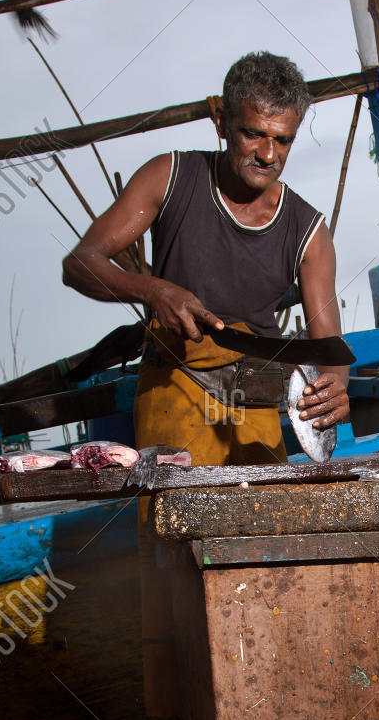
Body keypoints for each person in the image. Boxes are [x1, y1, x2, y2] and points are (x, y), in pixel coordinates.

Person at [62, 50, 349, 465]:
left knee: (263, 524)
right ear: (221, 122)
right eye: (253, 134)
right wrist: (153, 290)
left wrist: (336, 387)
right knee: (176, 523)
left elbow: (329, 352)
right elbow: (80, 263)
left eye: (283, 139)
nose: (268, 155)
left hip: (257, 403)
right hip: (175, 392)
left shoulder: (309, 233)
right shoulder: (170, 177)